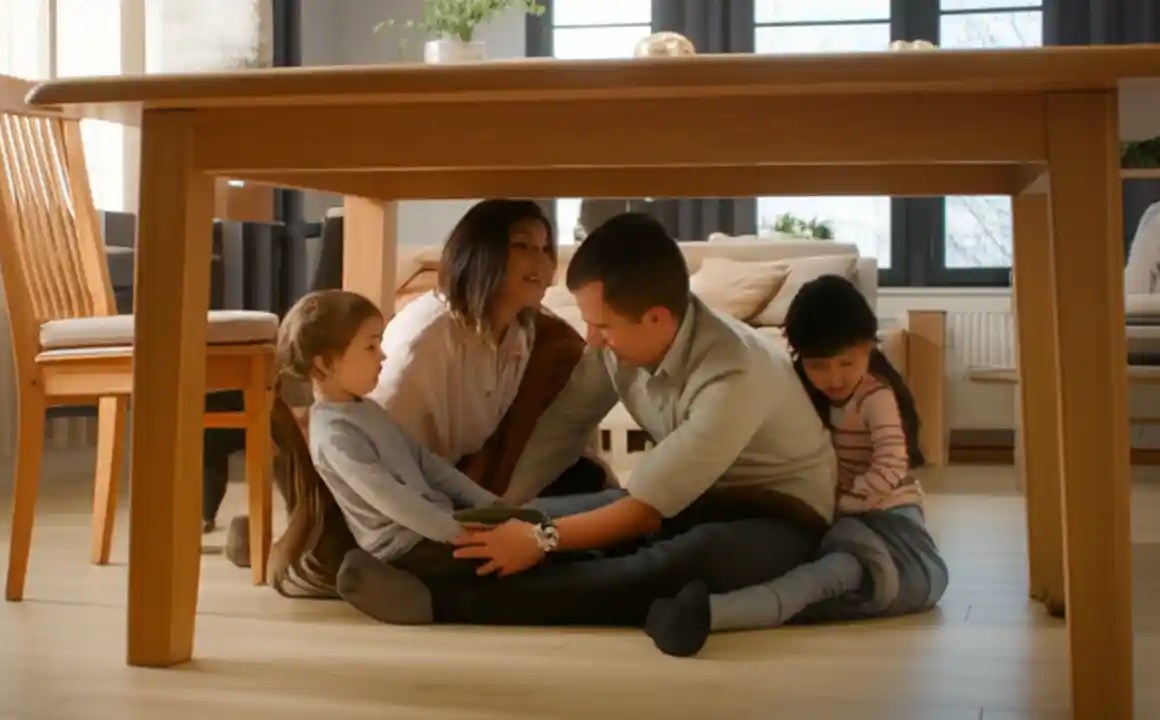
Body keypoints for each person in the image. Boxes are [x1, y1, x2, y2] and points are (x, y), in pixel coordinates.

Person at [334, 212, 839, 627]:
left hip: (778, 515)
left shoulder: (736, 373)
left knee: (664, 565)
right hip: (689, 497)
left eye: (602, 325)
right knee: (552, 515)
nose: (591, 340)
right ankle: (424, 569)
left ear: (657, 318)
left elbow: (643, 511)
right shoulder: (618, 345)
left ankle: (438, 604)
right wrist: (511, 512)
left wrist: (539, 540)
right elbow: (564, 425)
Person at [644, 275, 950, 656]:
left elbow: (892, 463)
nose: (834, 378)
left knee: (826, 578)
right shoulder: (799, 390)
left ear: (870, 348)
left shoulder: (876, 397)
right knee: (795, 569)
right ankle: (704, 607)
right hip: (834, 512)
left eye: (846, 363)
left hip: (884, 517)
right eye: (819, 366)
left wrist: (847, 503)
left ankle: (711, 615)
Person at [271, 289, 624, 602]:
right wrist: (457, 533)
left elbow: (427, 463)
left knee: (533, 522)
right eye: (370, 346)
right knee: (532, 565)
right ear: (323, 364)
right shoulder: (334, 436)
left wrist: (489, 505)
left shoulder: (366, 410)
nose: (383, 356)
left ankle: (607, 549)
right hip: (407, 548)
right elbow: (394, 501)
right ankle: (400, 590)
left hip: (438, 526)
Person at [370, 199, 609, 497]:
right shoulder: (425, 341)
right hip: (405, 496)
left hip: (459, 486)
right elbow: (377, 453)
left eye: (544, 247)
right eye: (522, 246)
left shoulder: (521, 332)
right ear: (481, 253)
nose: (539, 260)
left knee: (588, 485)